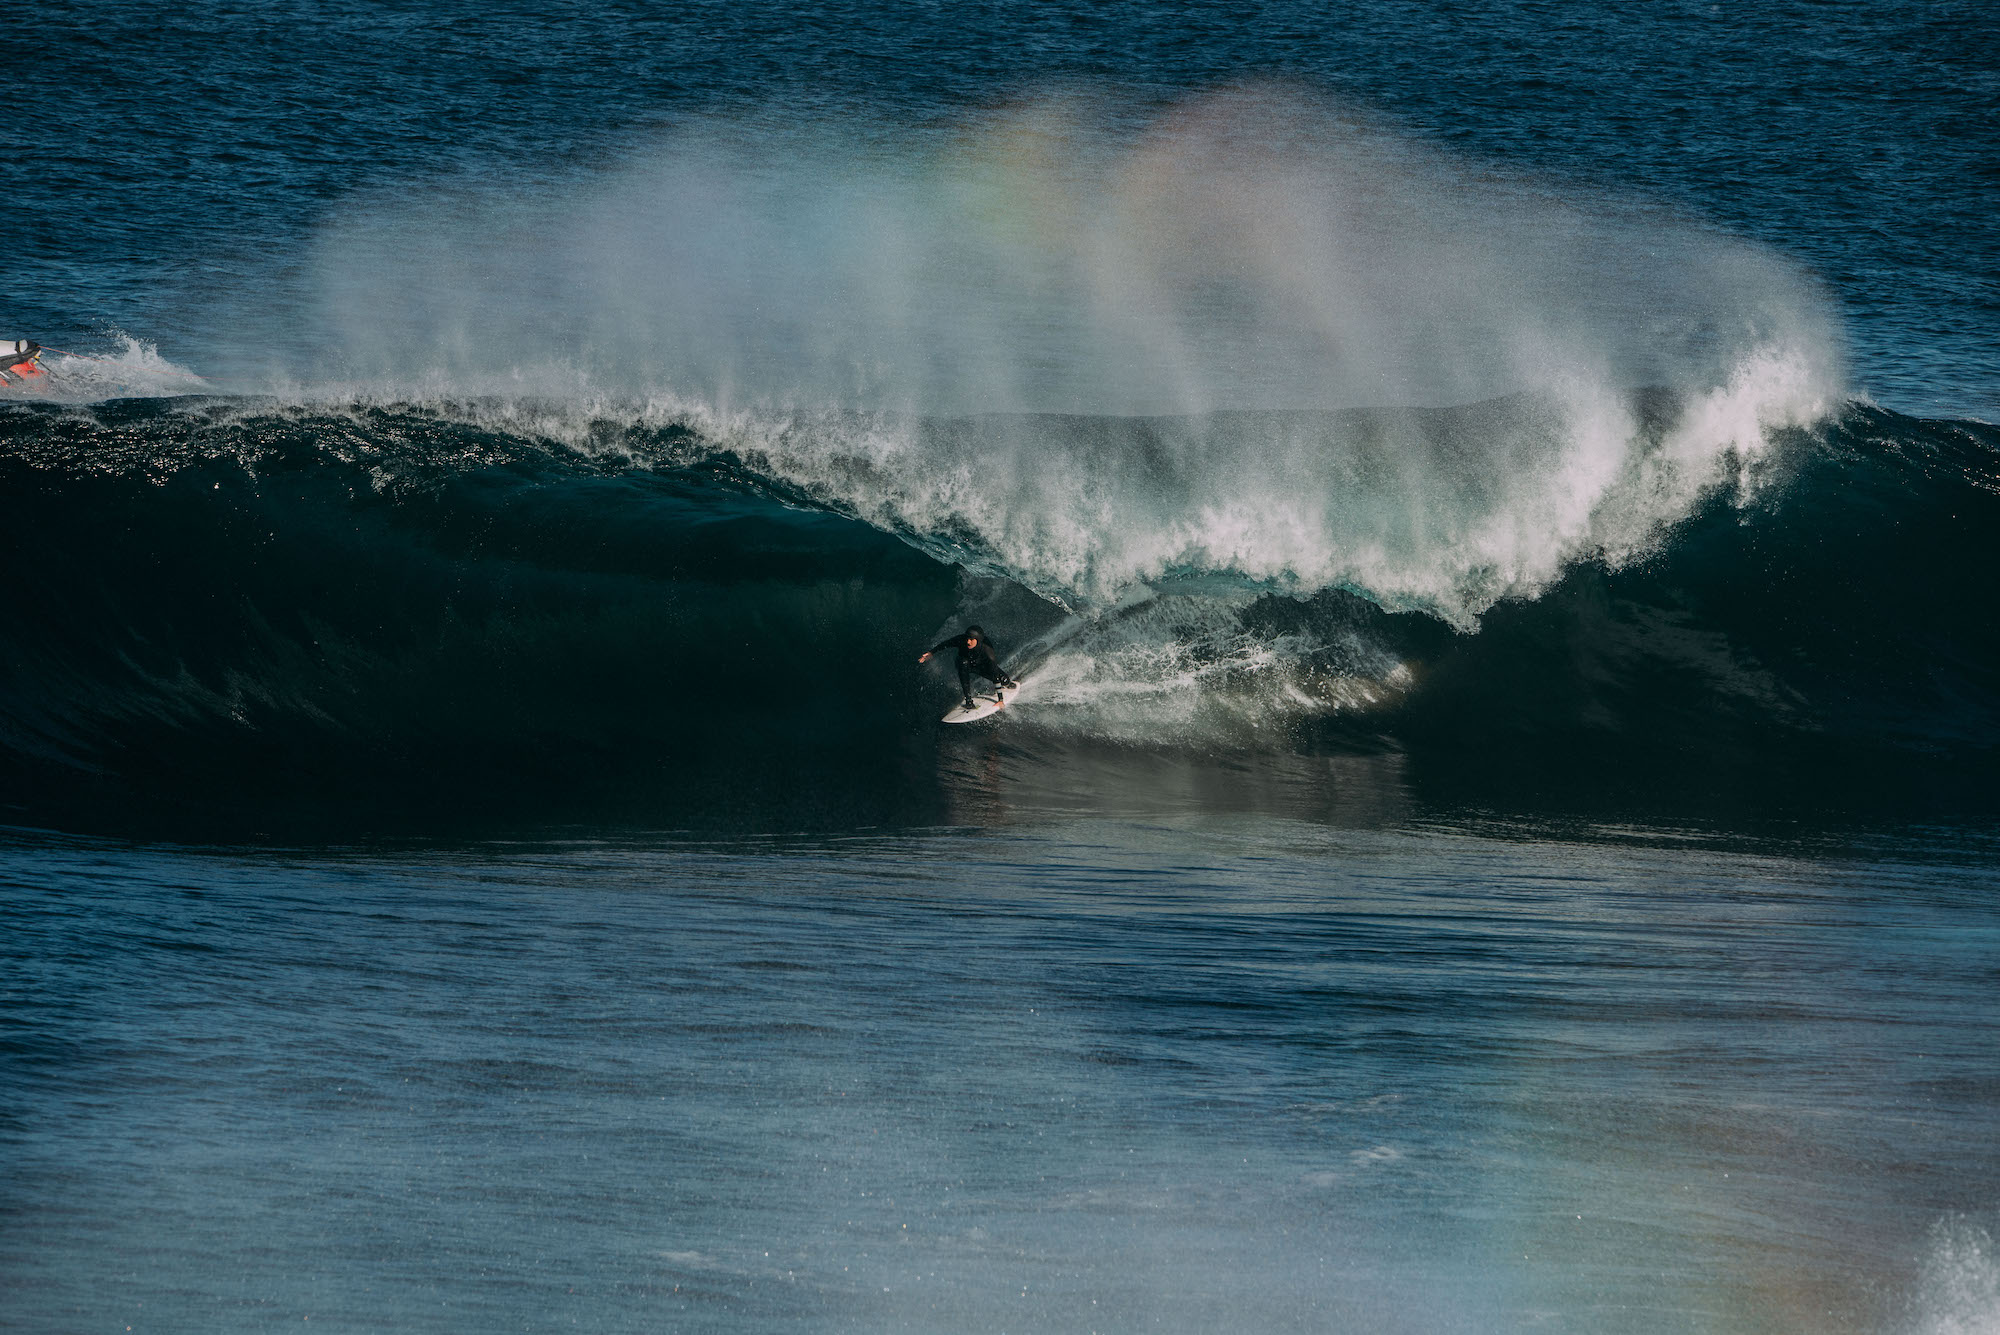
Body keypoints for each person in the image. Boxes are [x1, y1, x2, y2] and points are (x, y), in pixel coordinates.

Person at [920, 625, 1018, 711]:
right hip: (965, 665)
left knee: (1004, 680)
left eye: (971, 639)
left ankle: (1006, 684)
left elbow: (995, 673)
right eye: (967, 638)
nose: (968, 642)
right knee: (963, 662)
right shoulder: (961, 639)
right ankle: (968, 701)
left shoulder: (987, 650)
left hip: (982, 665)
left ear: (978, 640)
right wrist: (931, 652)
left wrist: (1000, 700)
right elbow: (946, 644)